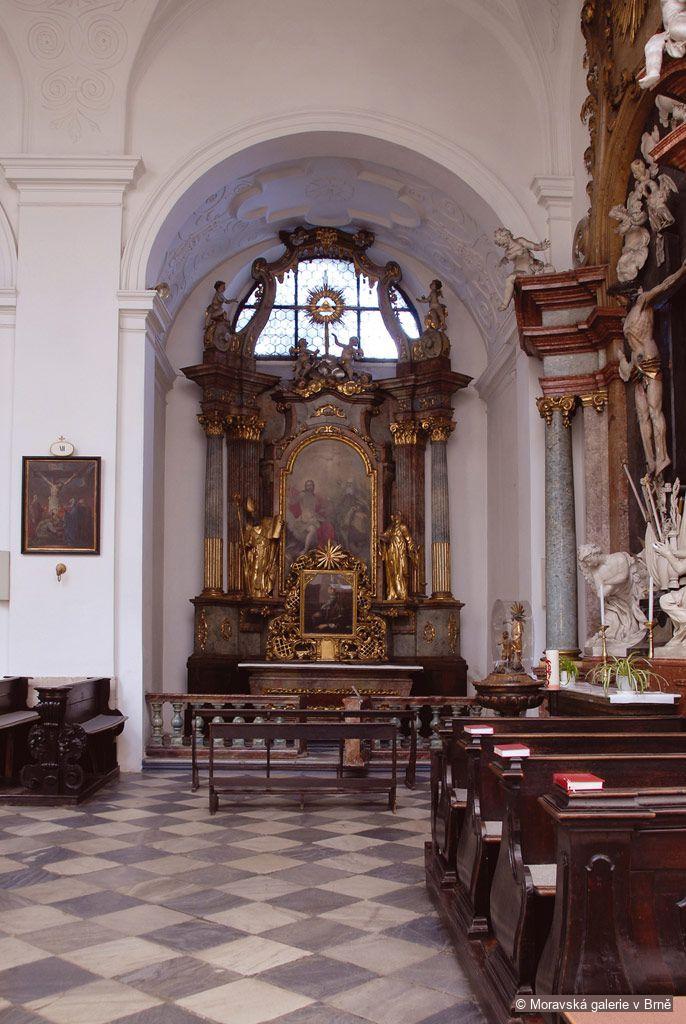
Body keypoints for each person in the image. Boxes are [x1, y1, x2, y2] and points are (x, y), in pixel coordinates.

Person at [617, 258, 686, 476]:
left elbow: (664, 285)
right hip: (637, 366)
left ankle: (663, 454)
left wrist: (682, 269)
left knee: (656, 411)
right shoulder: (626, 320)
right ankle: (650, 460)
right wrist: (624, 361)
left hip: (650, 359)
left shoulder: (643, 303)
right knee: (642, 415)